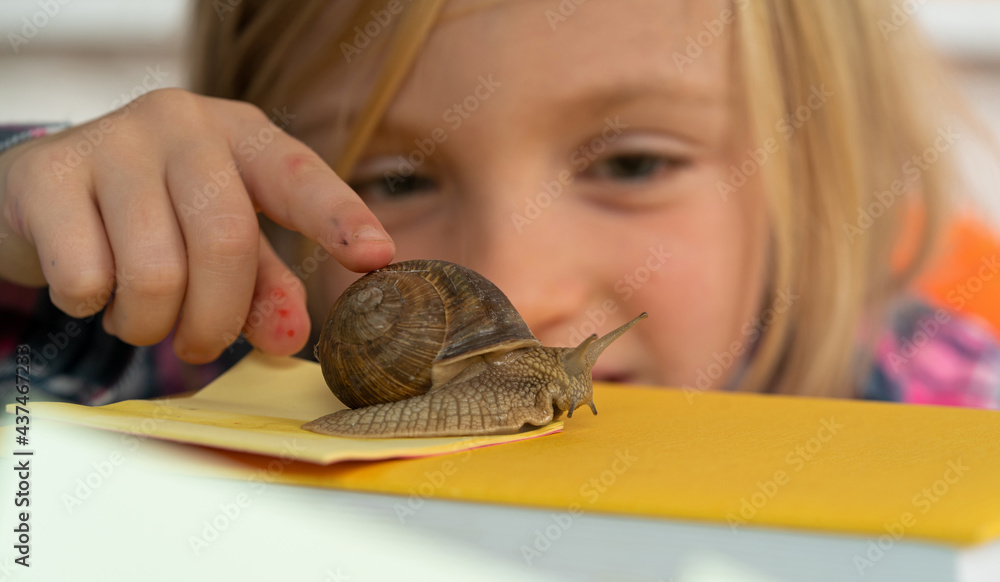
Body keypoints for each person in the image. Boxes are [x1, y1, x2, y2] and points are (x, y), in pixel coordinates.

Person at [1, 0, 998, 410]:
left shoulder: (945, 410)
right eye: (393, 181)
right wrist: (37, 219)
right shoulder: (192, 371)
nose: (515, 292)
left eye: (635, 166)